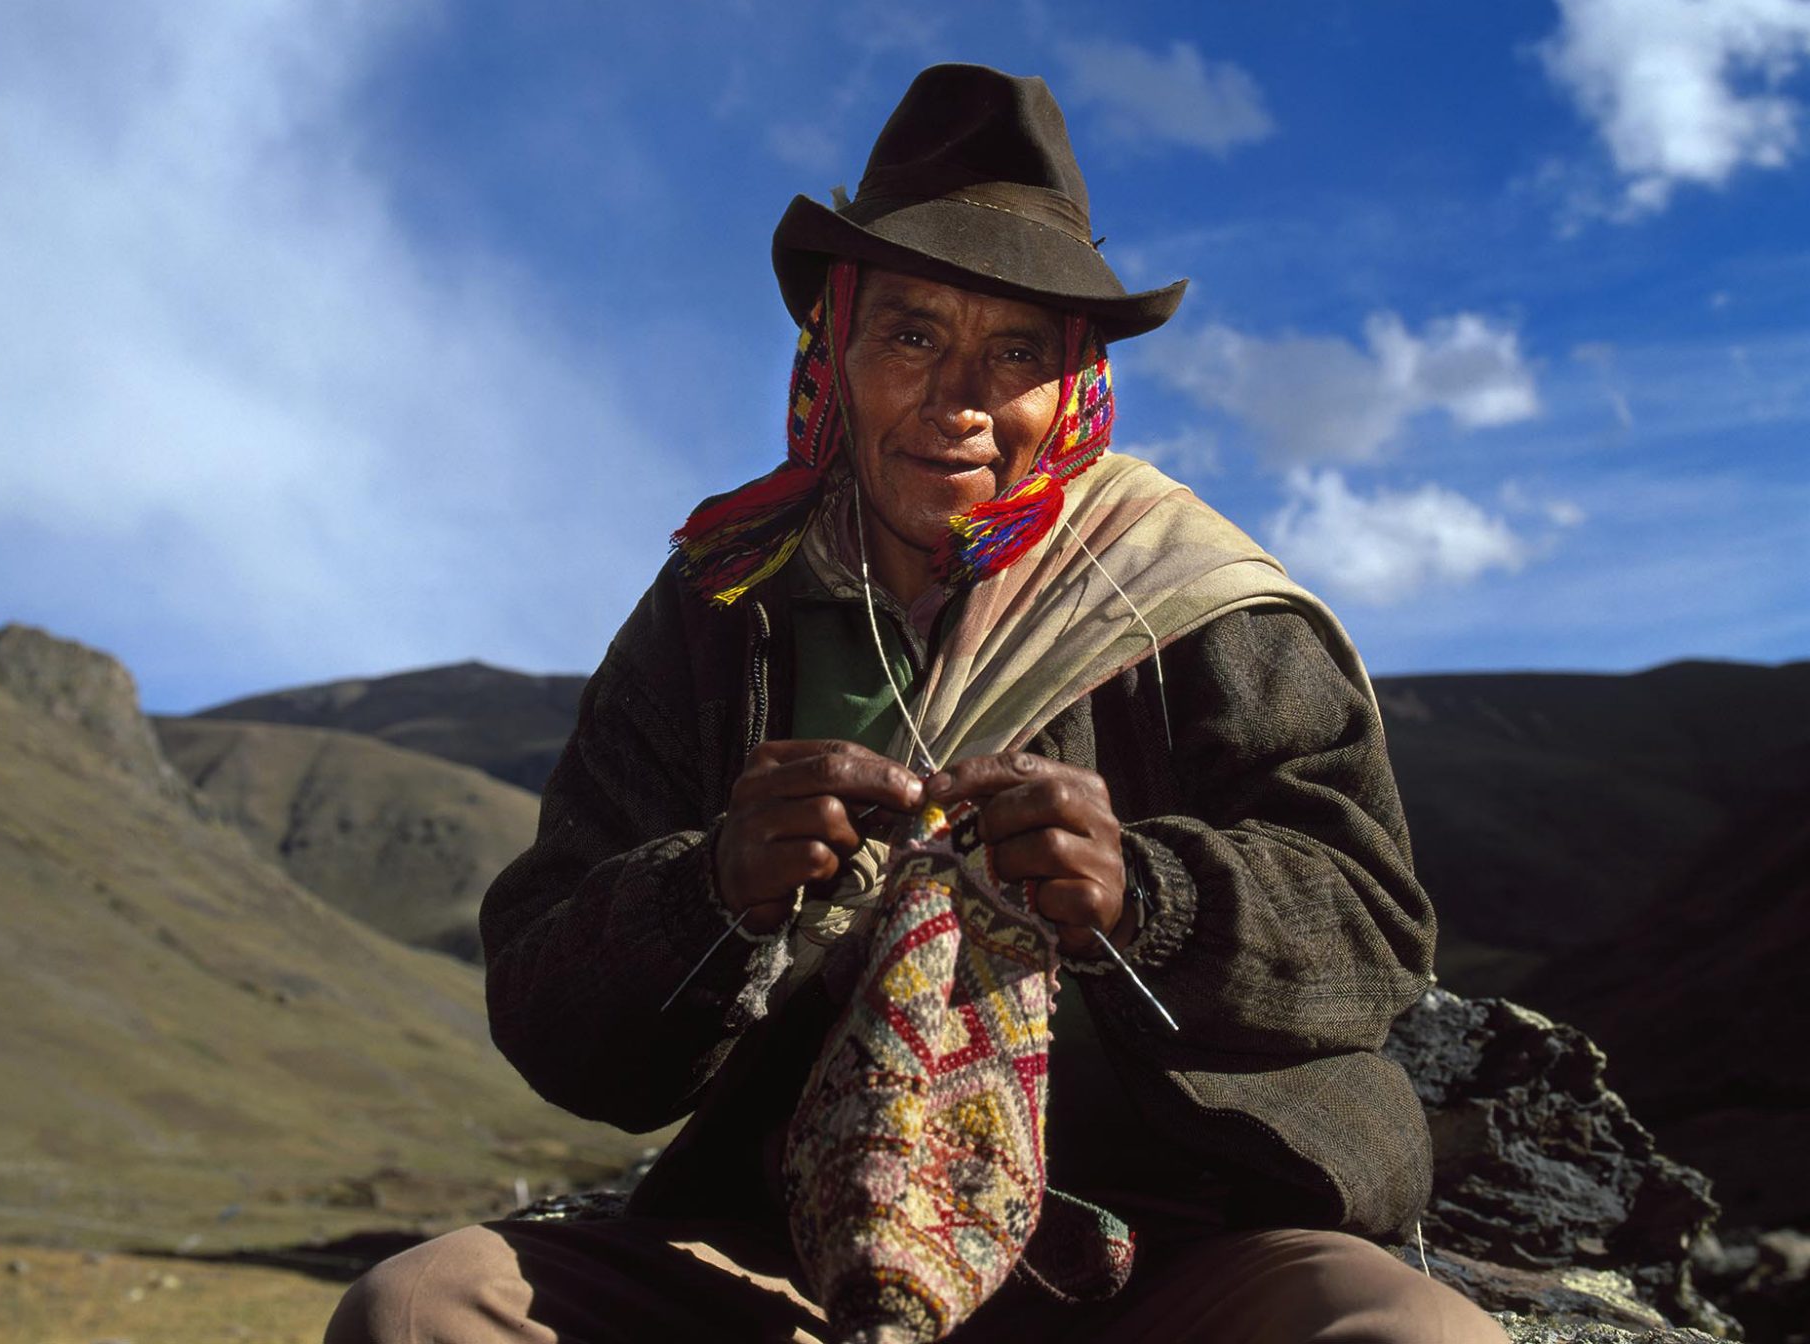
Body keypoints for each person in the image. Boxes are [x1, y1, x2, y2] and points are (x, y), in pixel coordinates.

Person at [325, 65, 1506, 1342]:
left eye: (1013, 351)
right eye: (908, 334)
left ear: (1076, 382)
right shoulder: (723, 614)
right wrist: (710, 889)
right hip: (791, 1246)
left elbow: (1373, 935)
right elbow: (554, 1016)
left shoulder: (1197, 603)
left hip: (1179, 1243)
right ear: (829, 352)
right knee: (423, 1312)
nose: (958, 401)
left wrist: (1144, 894)